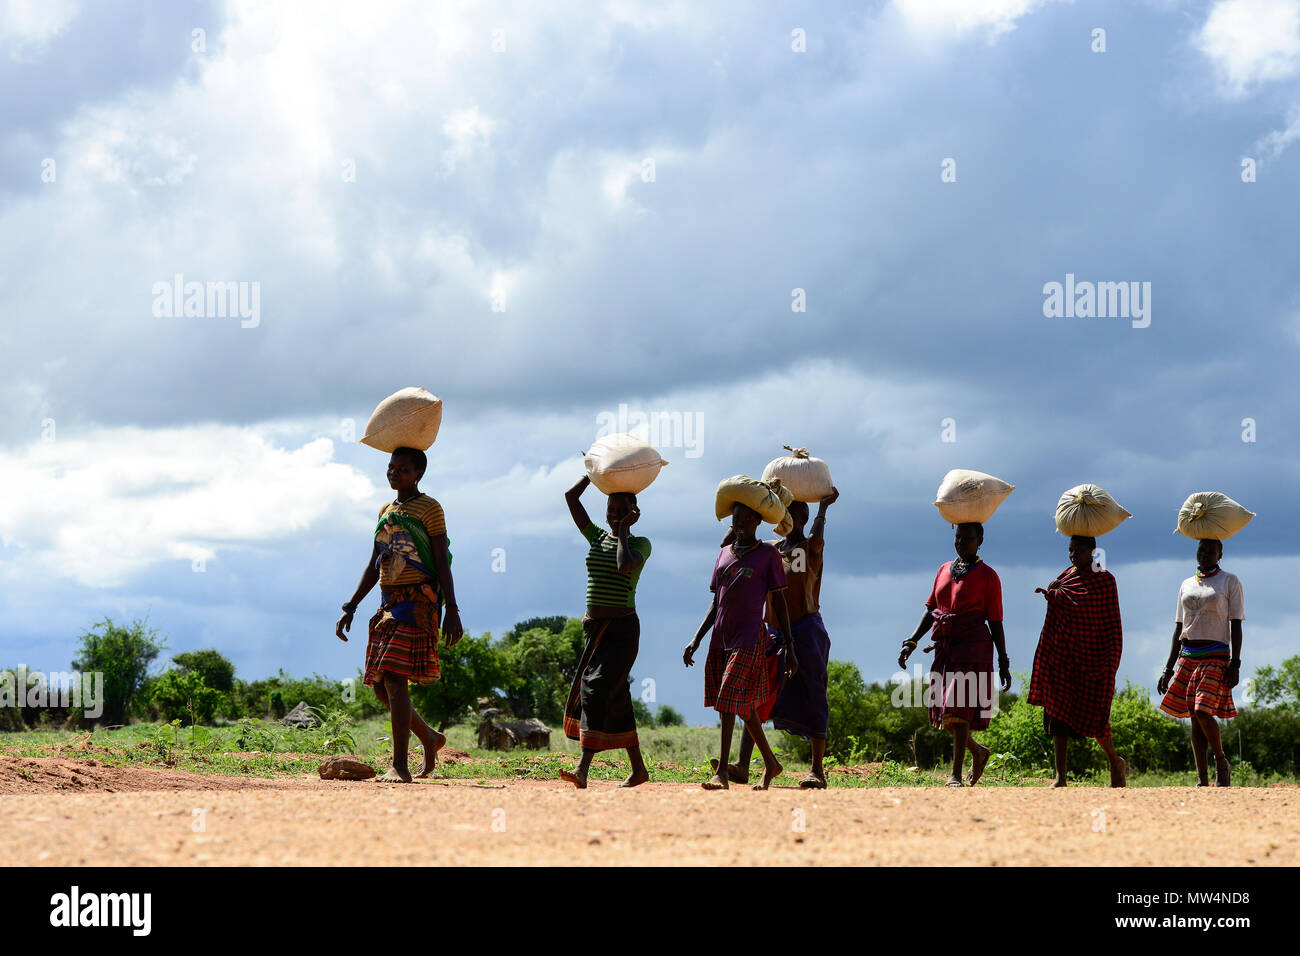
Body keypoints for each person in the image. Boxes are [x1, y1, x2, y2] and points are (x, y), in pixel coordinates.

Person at [336, 446, 463, 783]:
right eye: (391, 467)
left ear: (418, 473)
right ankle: (430, 738)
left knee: (393, 676)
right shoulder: (386, 510)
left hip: (419, 601)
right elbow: (374, 563)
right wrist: (350, 605)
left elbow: (440, 563)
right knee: (381, 686)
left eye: (403, 469)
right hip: (389, 602)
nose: (394, 473)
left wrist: (452, 608)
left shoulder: (430, 508)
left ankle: (400, 766)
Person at [712, 488, 839, 789]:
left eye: (794, 514)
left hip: (806, 630)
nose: (788, 519)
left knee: (813, 694)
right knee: (754, 694)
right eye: (783, 513)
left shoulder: (810, 549)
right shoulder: (770, 549)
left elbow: (818, 536)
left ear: (804, 518)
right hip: (772, 632)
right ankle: (742, 765)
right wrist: (744, 513)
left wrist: (822, 508)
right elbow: (726, 546)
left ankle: (817, 770)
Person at [685, 502, 797, 790]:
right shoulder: (723, 554)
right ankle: (771, 763)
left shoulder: (768, 555)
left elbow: (779, 601)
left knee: (727, 699)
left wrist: (790, 644)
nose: (742, 524)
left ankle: (722, 772)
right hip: (721, 638)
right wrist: (696, 638)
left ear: (758, 522)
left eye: (748, 519)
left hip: (749, 638)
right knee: (741, 705)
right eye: (737, 519)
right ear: (731, 522)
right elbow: (716, 602)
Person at [898, 521, 1010, 787]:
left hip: (973, 647)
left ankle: (955, 775)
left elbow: (995, 621)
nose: (961, 543)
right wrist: (911, 641)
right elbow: (931, 609)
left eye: (968, 538)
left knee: (958, 710)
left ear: (980, 540)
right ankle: (978, 752)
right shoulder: (943, 570)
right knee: (947, 716)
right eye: (958, 538)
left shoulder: (988, 576)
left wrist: (1003, 660)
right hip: (945, 648)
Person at [558, 475, 652, 789]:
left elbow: (625, 565)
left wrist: (624, 531)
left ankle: (582, 769)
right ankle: (639, 769)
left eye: (622, 509)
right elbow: (571, 498)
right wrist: (594, 474)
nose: (614, 513)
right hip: (594, 630)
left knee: (595, 688)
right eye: (611, 508)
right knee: (617, 694)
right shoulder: (595, 536)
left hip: (622, 631)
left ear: (634, 511)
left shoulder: (640, 544)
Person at [1027, 535, 1127, 787]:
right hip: (1062, 657)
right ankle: (1060, 776)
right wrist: (1053, 595)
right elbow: (1059, 612)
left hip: (1095, 658)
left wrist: (1110, 661)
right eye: (1070, 550)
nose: (1073, 555)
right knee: (1057, 712)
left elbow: (1111, 624)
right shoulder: (1063, 579)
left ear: (1093, 551)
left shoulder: (1105, 580)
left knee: (1097, 717)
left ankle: (1115, 761)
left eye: (1079, 550)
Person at [1157, 538, 1244, 787]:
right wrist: (1168, 668)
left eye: (1211, 550)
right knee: (1194, 718)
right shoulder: (1186, 584)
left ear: (1220, 554)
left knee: (1202, 711)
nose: (1204, 553)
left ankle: (1221, 762)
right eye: (1201, 549)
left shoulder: (1229, 581)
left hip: (1216, 655)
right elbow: (1178, 629)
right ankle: (1203, 779)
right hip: (1188, 656)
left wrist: (1236, 663)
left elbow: (1236, 624)